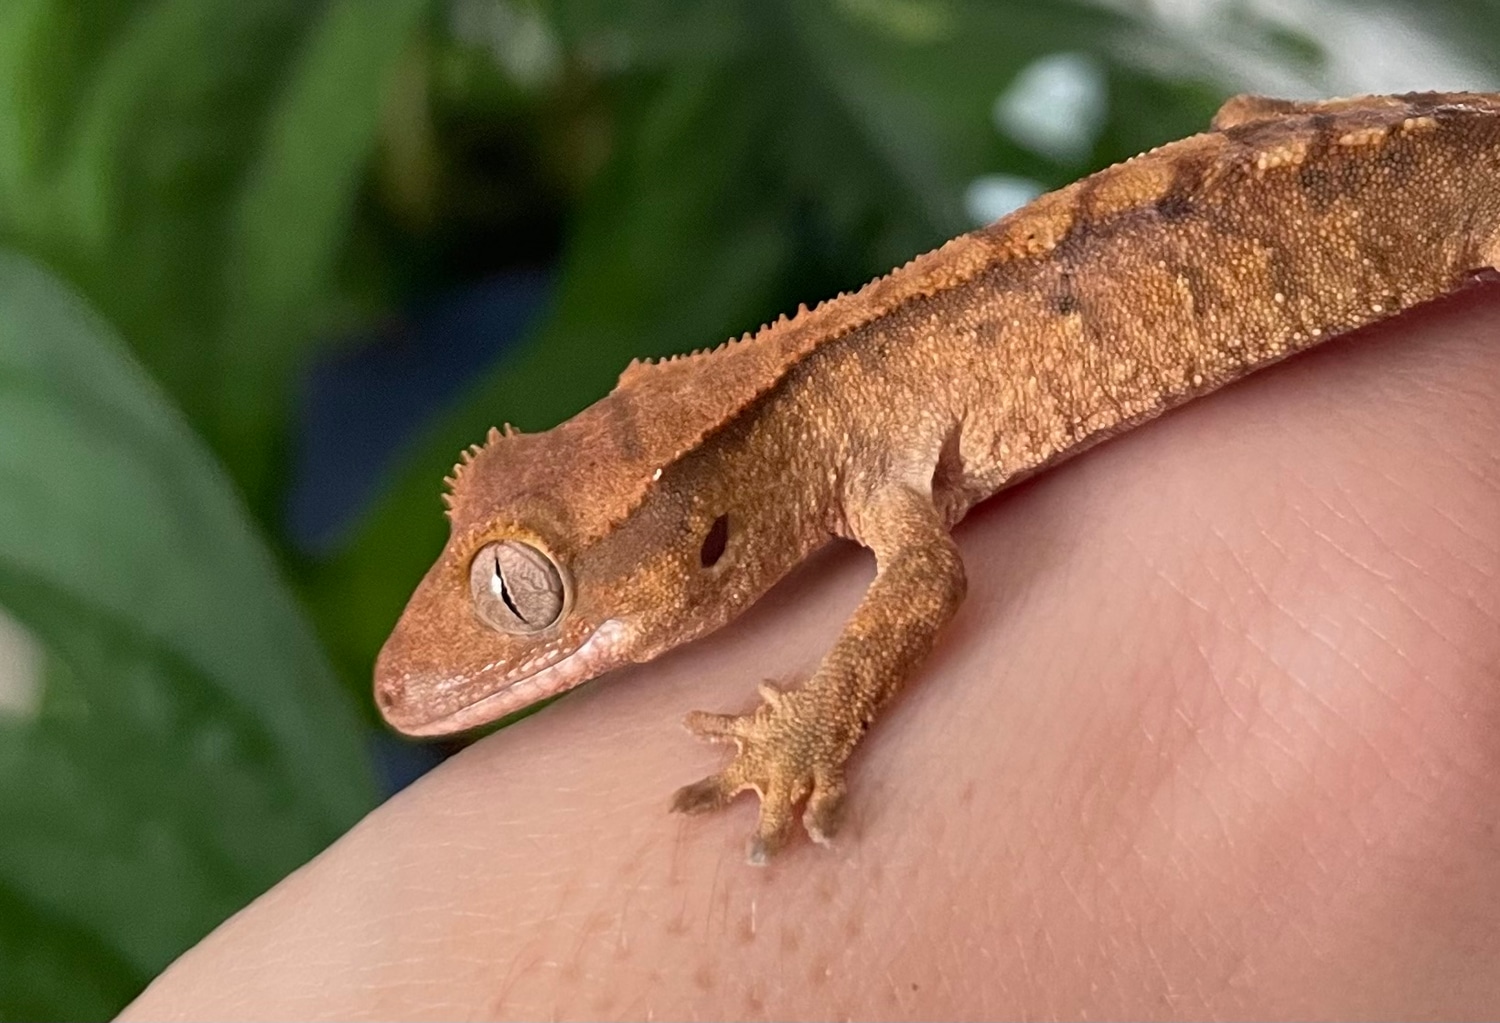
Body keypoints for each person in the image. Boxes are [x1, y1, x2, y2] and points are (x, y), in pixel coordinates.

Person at [120, 287, 1500, 1020]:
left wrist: (815, 728)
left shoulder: (862, 461)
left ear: (702, 530)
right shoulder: (834, 448)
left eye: (527, 590)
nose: (443, 652)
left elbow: (930, 580)